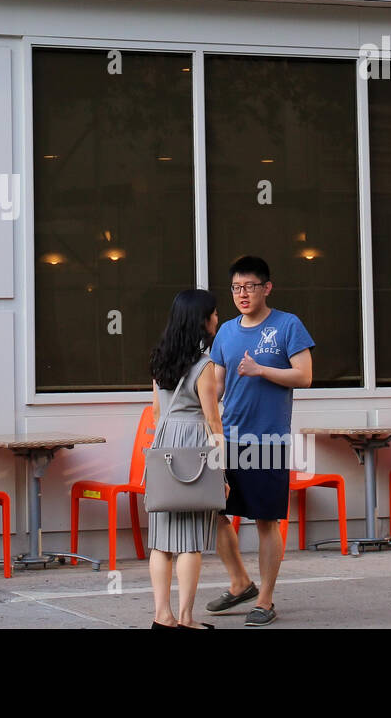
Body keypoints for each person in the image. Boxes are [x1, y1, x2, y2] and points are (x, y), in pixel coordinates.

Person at [205, 255, 314, 626]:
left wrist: (261, 370)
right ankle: (240, 582)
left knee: (266, 521)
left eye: (250, 287)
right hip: (227, 439)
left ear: (267, 288)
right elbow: (217, 386)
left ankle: (265, 600)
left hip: (267, 441)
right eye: (236, 288)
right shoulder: (226, 332)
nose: (243, 294)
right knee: (213, 512)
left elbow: (304, 376)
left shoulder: (287, 325)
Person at [147, 289, 223, 629]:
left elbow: (156, 411)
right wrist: (220, 471)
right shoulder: (204, 366)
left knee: (161, 541)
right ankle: (187, 619)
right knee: (190, 541)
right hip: (193, 447)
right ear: (201, 321)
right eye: (214, 313)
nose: (217, 318)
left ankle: (162, 616)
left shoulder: (160, 359)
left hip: (164, 444)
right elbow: (213, 420)